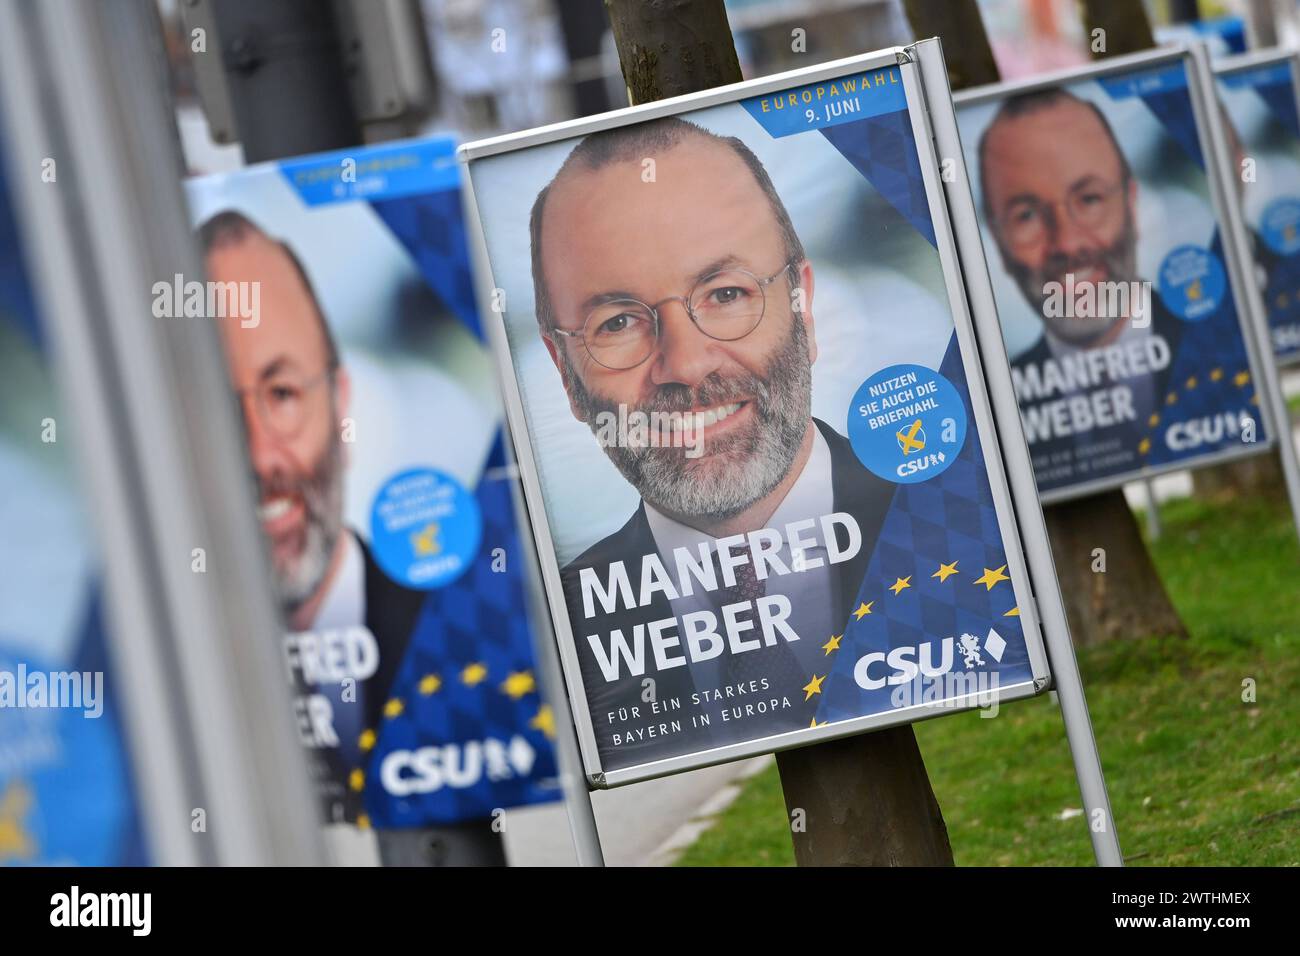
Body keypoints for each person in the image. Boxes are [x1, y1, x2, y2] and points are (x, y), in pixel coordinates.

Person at [528, 117, 894, 762]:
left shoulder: (936, 528)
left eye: (725, 294)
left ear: (802, 313)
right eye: (617, 323)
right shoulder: (560, 638)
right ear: (565, 374)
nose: (688, 364)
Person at [200, 211, 503, 865]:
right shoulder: (168, 684)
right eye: (217, 410)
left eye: (281, 393)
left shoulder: (450, 634)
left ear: (340, 404)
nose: (260, 456)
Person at [978, 88, 1184, 475]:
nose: (1068, 243)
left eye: (1089, 199)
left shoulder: (1210, 350)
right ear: (998, 241)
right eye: (1026, 216)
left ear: (1131, 205)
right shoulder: (995, 414)